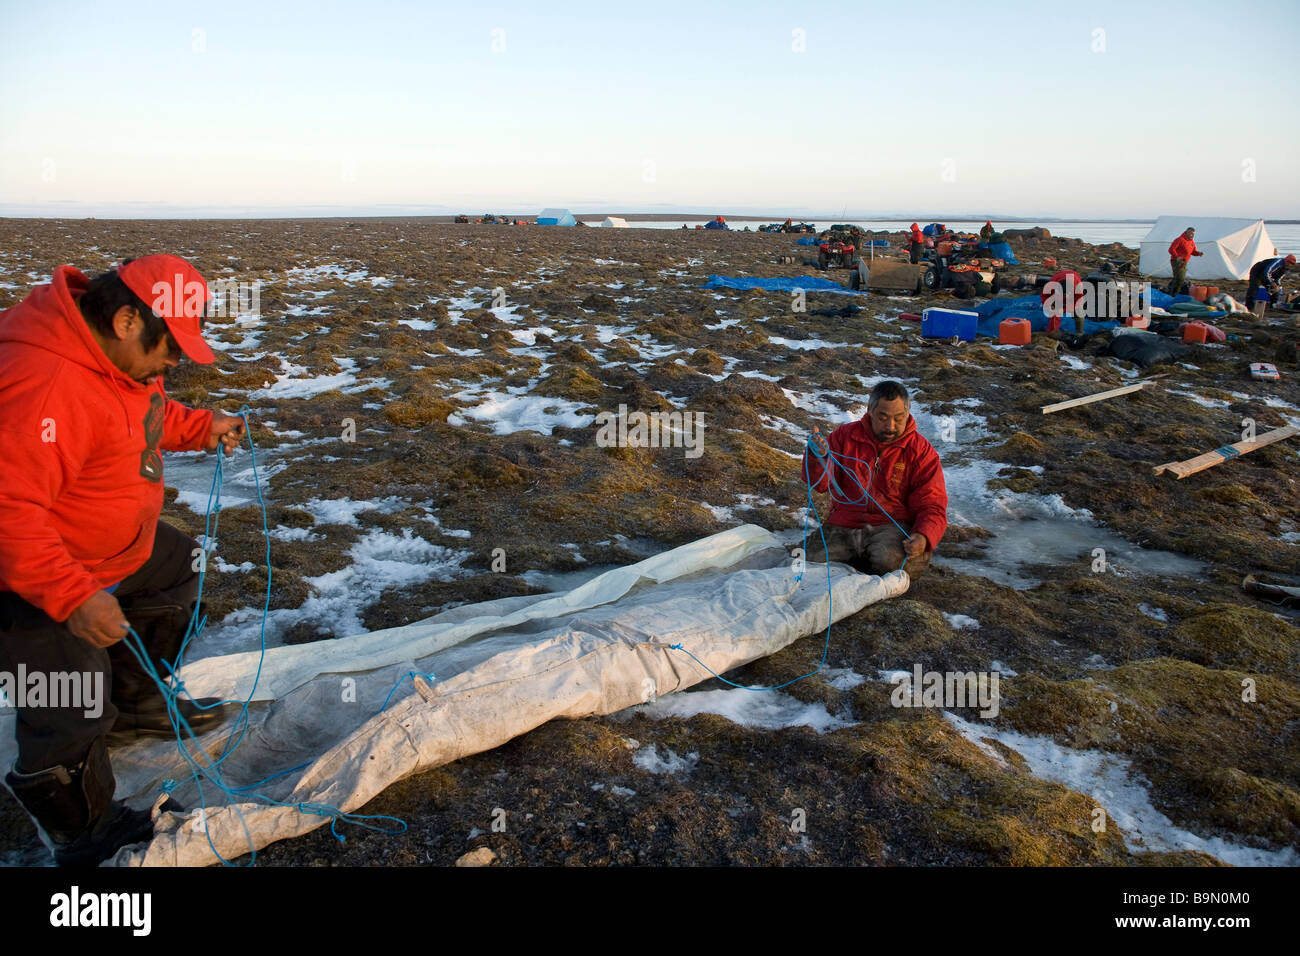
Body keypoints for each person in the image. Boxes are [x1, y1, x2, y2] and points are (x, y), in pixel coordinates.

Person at [0, 254, 247, 865]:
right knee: (70, 701)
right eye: (172, 348)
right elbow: (8, 510)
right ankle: (80, 834)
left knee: (178, 563)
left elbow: (138, 416)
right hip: (29, 575)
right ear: (128, 319)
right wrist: (73, 596)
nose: (175, 362)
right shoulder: (44, 381)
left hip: (110, 547)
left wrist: (199, 427)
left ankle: (135, 707)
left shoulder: (114, 359)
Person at [801, 381, 948, 579]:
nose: (891, 426)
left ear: (908, 413)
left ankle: (866, 562)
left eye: (899, 418)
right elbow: (820, 485)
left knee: (891, 563)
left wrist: (923, 535)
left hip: (891, 526)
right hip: (845, 523)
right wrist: (816, 456)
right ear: (870, 411)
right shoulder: (844, 437)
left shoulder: (921, 451)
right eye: (883, 417)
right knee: (808, 560)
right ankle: (858, 561)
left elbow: (932, 504)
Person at [1166, 227, 1203, 295]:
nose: (1192, 235)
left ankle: (1173, 291)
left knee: (1179, 278)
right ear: (1186, 232)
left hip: (1184, 262)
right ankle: (1174, 293)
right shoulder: (1179, 240)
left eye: (1193, 234)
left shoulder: (1192, 242)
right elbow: (1171, 249)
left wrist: (1198, 253)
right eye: (1191, 233)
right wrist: (1177, 256)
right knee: (1180, 278)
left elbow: (1193, 252)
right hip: (1177, 261)